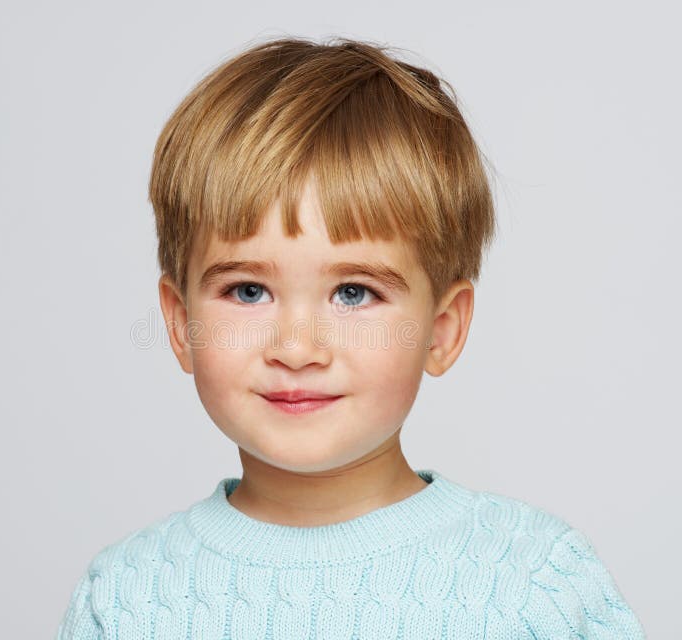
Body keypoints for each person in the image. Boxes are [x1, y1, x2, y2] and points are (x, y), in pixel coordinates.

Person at [56, 37, 645, 639]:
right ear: (182, 324)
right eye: (248, 291)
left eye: (354, 293)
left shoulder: (534, 584)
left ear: (441, 330)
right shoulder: (127, 599)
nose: (297, 349)